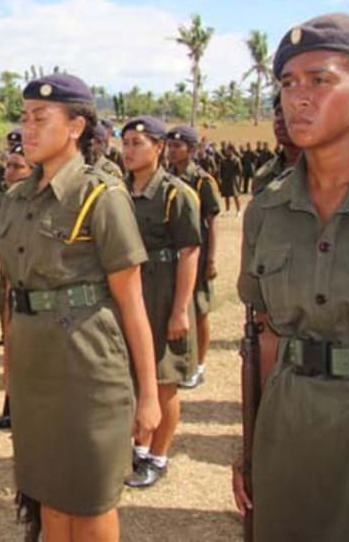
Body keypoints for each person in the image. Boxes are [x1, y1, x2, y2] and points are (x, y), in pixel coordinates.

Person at [234, 13, 349, 542]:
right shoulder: (266, 210)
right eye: (288, 83)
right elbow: (267, 337)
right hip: (291, 428)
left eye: (320, 80)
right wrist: (252, 449)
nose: (298, 98)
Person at [0, 74, 159, 541]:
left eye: (40, 119)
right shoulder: (13, 202)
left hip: (87, 369)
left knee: (89, 501)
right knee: (48, 496)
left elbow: (131, 302)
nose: (27, 128)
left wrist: (147, 394)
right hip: (34, 367)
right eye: (24, 118)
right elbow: (14, 294)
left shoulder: (100, 197)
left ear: (75, 127)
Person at [119, 117, 201, 489]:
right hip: (129, 290)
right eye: (125, 143)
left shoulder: (175, 194)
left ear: (158, 148)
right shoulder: (118, 191)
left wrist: (181, 309)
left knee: (164, 380)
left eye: (137, 142)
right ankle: (139, 444)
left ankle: (158, 455)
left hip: (163, 290)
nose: (129, 150)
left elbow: (189, 252)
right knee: (135, 374)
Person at [166, 125, 221, 389]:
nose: (172, 150)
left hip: (196, 254)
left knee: (198, 310)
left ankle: (199, 365)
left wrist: (211, 259)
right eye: (170, 145)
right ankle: (180, 362)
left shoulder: (201, 180)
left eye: (178, 146)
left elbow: (212, 219)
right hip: (174, 254)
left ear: (191, 148)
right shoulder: (165, 177)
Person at [0, 143, 33, 430]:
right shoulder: (6, 203)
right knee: (9, 341)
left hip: (33, 287)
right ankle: (11, 403)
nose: (10, 171)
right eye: (8, 165)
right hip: (9, 281)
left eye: (17, 166)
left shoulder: (40, 203)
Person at [252, 92, 302, 195]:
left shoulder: (332, 174)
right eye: (278, 113)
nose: (279, 119)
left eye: (289, 111)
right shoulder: (264, 176)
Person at [218, 144, 242, 215]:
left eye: (228, 150)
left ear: (231, 151)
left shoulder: (236, 160)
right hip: (226, 179)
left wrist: (238, 180)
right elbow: (221, 170)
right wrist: (221, 179)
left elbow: (240, 171)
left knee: (236, 195)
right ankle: (227, 210)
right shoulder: (223, 160)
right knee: (226, 196)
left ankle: (238, 210)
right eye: (226, 150)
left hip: (233, 180)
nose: (227, 151)